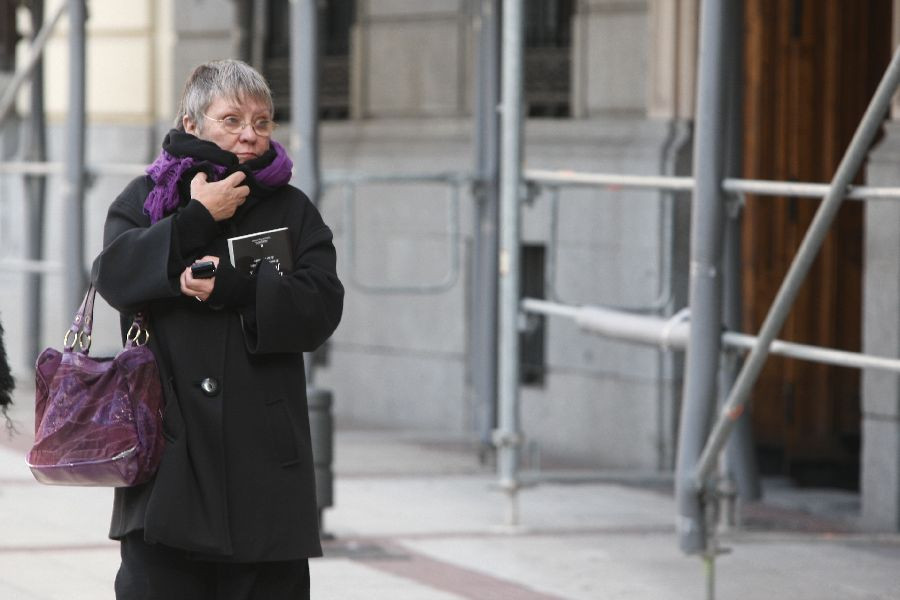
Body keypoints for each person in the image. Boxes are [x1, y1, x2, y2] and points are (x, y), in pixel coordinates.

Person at [92, 59, 343, 600]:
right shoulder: (146, 200)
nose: (249, 135)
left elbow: (321, 307)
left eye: (262, 121)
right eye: (231, 120)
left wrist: (234, 287)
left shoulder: (291, 209)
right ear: (192, 124)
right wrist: (196, 219)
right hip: (170, 466)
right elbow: (113, 276)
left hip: (265, 473)